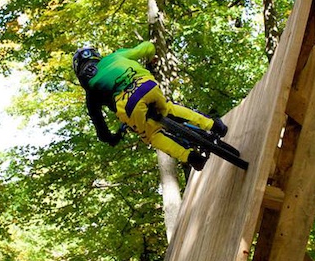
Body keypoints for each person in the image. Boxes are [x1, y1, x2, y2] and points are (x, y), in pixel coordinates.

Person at [72, 41, 227, 171]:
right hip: (147, 85)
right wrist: (151, 60)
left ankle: (190, 157)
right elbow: (147, 47)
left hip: (130, 106)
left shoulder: (90, 90)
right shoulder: (115, 56)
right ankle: (214, 125)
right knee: (168, 108)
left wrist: (113, 138)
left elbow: (100, 126)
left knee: (152, 136)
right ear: (96, 56)